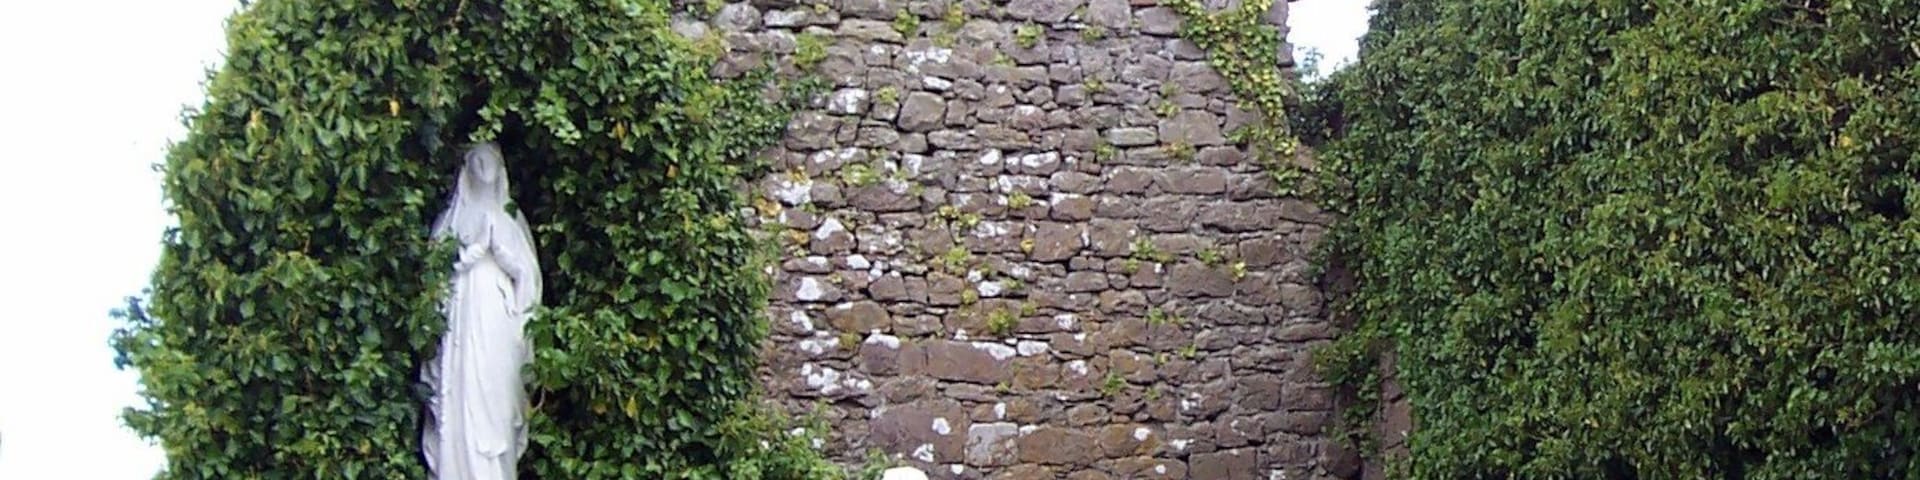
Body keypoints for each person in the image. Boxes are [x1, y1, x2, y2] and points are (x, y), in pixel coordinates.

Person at [420, 143, 541, 480]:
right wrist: (471, 254)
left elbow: (529, 282)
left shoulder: (511, 220)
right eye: (477, 161)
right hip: (459, 327)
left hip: (499, 328)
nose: (484, 168)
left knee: (496, 405)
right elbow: (433, 282)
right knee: (460, 402)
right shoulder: (449, 222)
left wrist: (502, 253)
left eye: (490, 162)